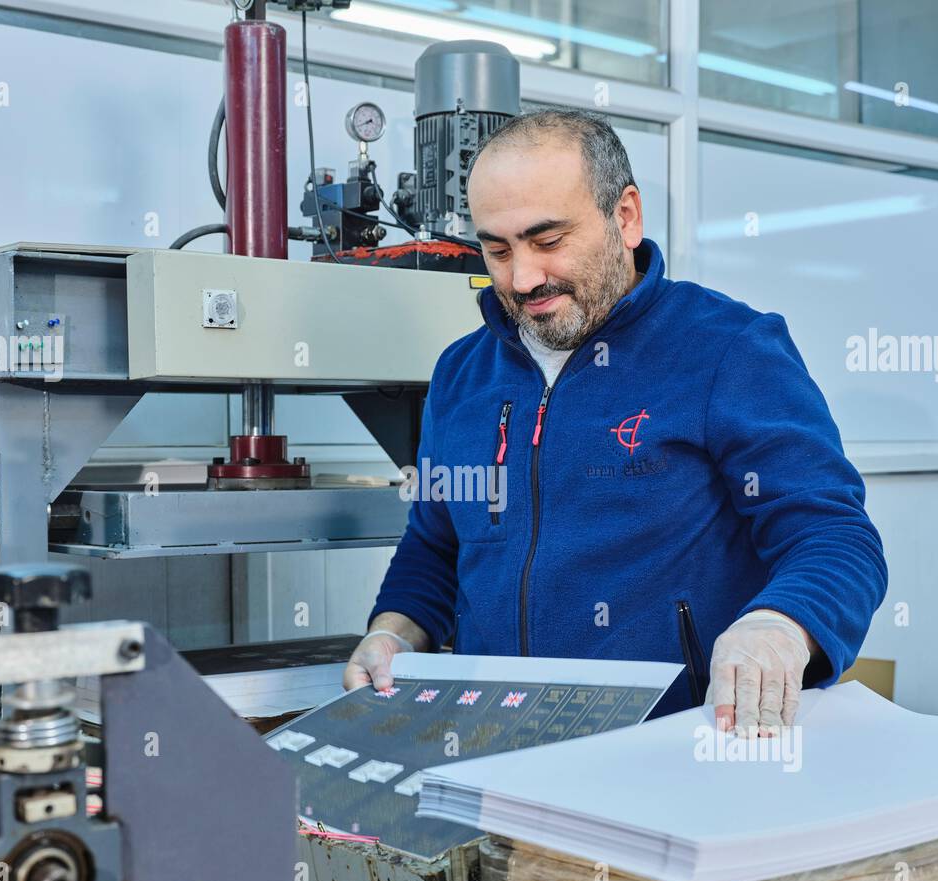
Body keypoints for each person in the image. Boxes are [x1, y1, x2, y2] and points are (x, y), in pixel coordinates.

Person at [344, 107, 887, 736]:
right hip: (495, 738)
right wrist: (392, 634)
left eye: (548, 241)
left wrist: (779, 627)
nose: (523, 277)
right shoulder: (463, 374)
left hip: (673, 745)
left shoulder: (727, 350)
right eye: (497, 249)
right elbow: (435, 546)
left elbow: (835, 538)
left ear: (624, 216)